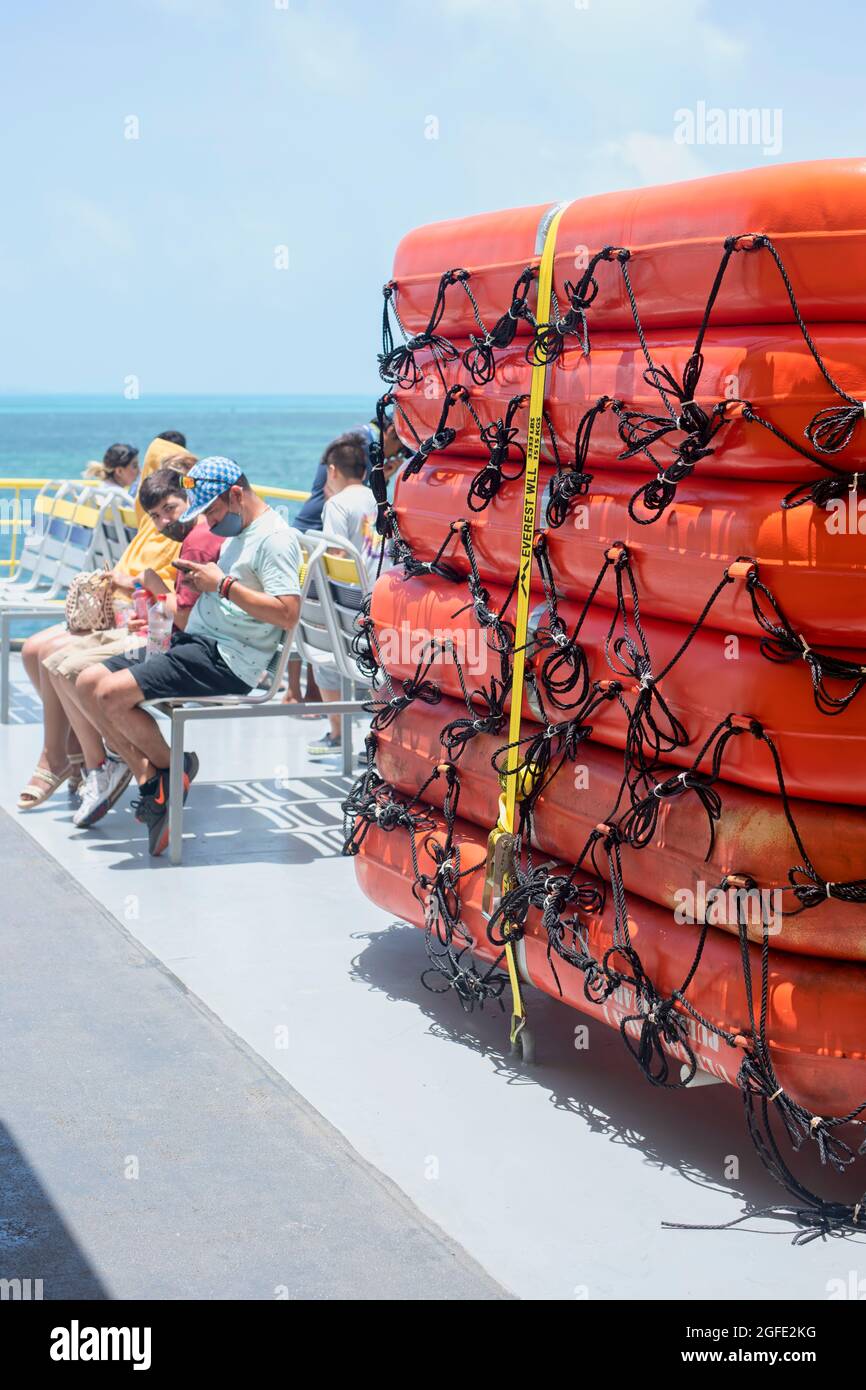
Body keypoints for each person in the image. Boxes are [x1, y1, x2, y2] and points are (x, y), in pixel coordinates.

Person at [73, 457, 302, 856]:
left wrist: (223, 584)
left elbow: (287, 612)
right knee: (86, 682)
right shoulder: (237, 533)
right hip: (198, 641)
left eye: (212, 510)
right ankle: (157, 778)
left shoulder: (274, 539)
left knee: (110, 694)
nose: (209, 522)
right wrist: (205, 584)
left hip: (227, 658)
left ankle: (170, 772)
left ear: (236, 495)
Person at [17, 436, 196, 810]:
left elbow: (164, 594)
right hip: (125, 613)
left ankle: (73, 759)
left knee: (54, 656)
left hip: (140, 619)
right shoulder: (154, 521)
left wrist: (135, 591)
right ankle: (76, 757)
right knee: (34, 650)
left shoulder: (181, 533)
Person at [46, 467, 224, 829]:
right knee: (59, 665)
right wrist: (153, 603)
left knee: (89, 682)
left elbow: (189, 618)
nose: (163, 521)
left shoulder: (199, 542)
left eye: (169, 509)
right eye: (156, 515)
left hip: (197, 649)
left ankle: (147, 770)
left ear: (193, 500)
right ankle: (140, 771)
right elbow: (182, 608)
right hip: (167, 634)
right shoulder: (191, 538)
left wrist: (150, 586)